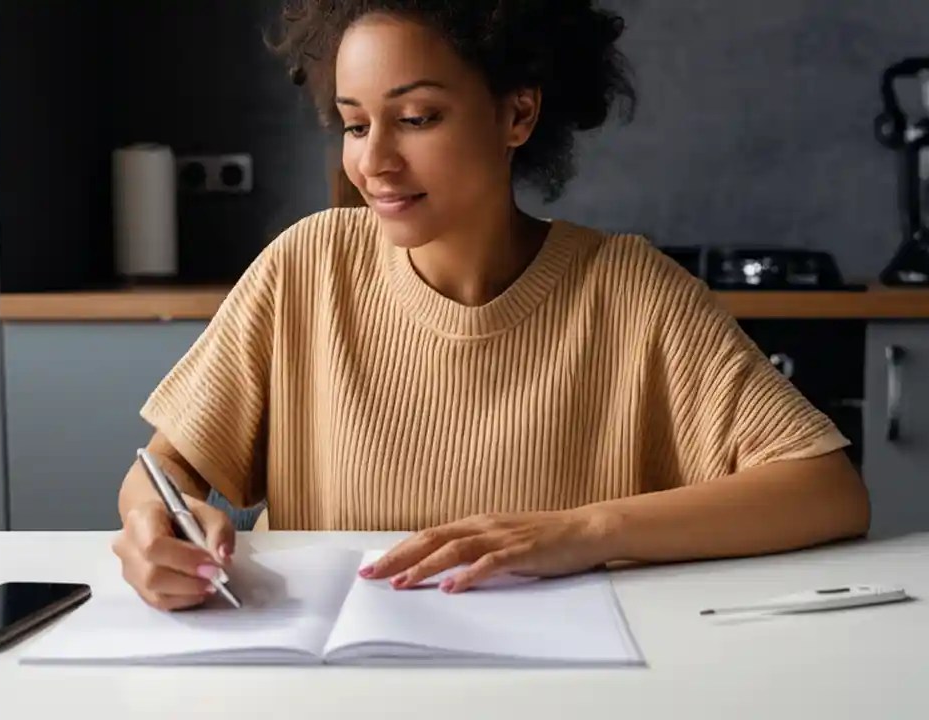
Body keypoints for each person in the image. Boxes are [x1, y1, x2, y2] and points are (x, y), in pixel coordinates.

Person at [113, 0, 870, 611]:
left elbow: (827, 489)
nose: (373, 160)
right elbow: (165, 466)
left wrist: (583, 532)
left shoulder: (631, 292)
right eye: (354, 123)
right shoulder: (306, 266)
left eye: (415, 119)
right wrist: (154, 524)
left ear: (517, 115)